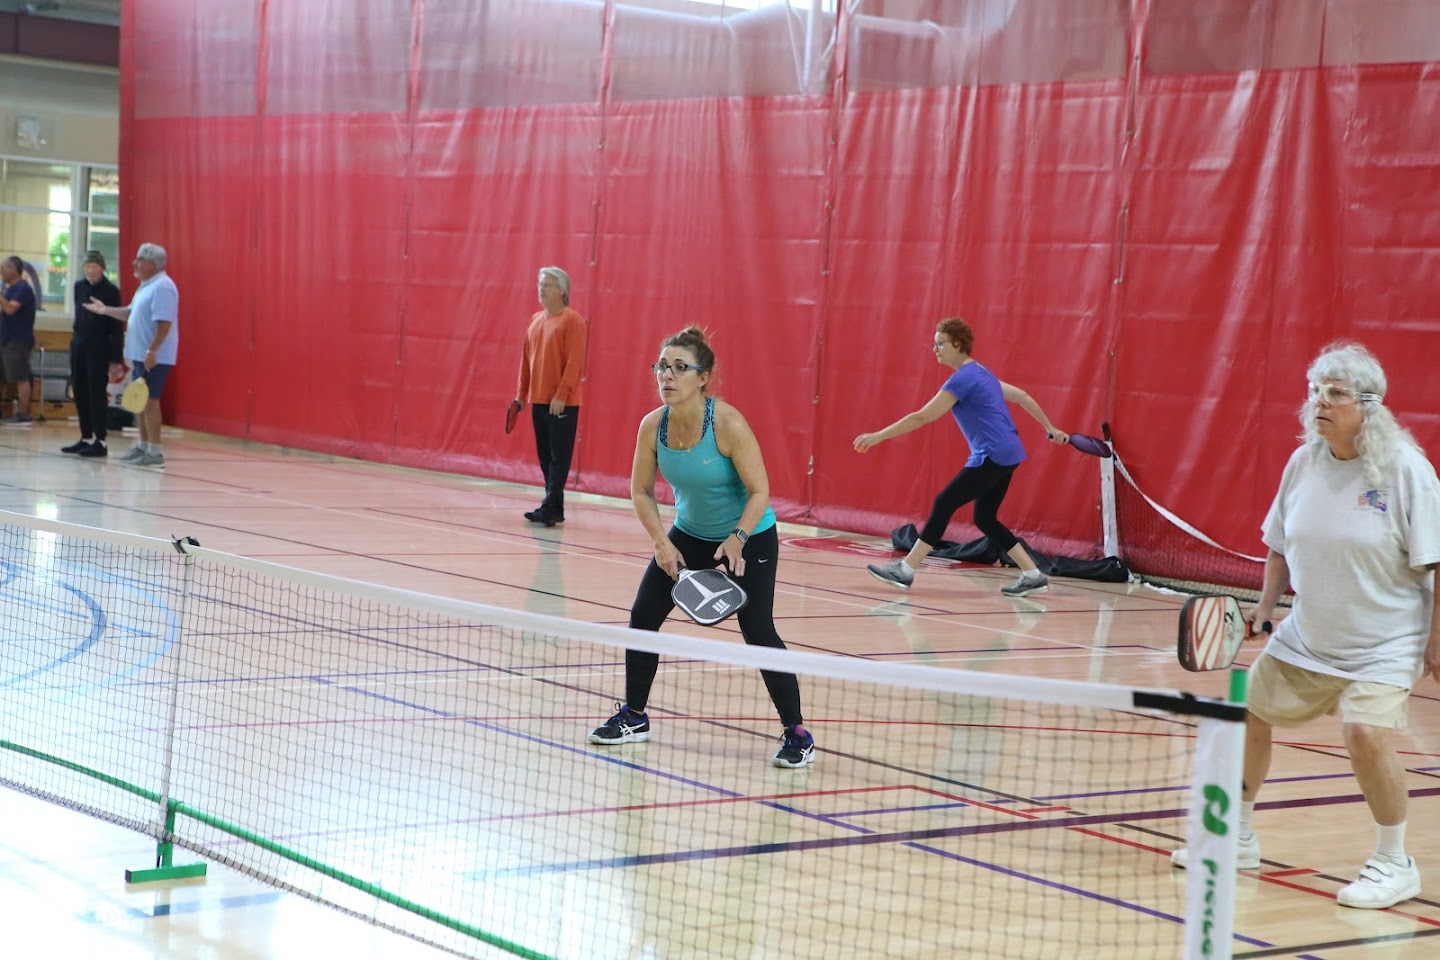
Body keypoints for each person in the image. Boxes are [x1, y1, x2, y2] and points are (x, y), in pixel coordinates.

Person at [1171, 342, 1440, 911]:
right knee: (1247, 713)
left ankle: (1395, 862)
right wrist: (1266, 607)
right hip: (1311, 632)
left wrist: (1436, 642)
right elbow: (1278, 545)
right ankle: (1235, 835)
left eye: (1335, 393)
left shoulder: (1407, 471)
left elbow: (1436, 564)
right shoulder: (1305, 462)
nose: (1320, 402)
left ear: (1369, 405)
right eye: (1316, 390)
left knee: (1365, 734)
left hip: (1386, 638)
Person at [587, 326, 815, 768]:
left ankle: (797, 732)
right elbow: (640, 492)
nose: (666, 376)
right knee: (642, 616)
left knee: (758, 631)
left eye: (679, 368)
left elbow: (760, 491)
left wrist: (739, 537)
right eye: (661, 366)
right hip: (689, 534)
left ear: (703, 377)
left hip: (749, 536)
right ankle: (634, 715)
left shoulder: (727, 424)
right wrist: (661, 542)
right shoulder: (652, 426)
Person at [855, 317, 1068, 596]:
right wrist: (1049, 427)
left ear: (957, 344)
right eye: (934, 344)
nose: (935, 349)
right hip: (1009, 453)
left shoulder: (963, 379)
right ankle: (1033, 574)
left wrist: (877, 436)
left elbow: (923, 416)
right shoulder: (982, 372)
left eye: (940, 343)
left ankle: (906, 569)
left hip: (992, 454)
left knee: (944, 502)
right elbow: (1023, 396)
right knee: (985, 518)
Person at [84, 242, 178, 467]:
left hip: (154, 356)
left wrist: (152, 350)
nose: (134, 263)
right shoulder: (146, 285)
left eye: (139, 260)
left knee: (151, 401)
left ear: (152, 264)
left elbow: (164, 323)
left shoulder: (163, 287)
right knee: (140, 401)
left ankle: (154, 452)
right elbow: (130, 312)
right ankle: (143, 446)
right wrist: (105, 310)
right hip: (140, 354)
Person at [514, 266, 587, 527]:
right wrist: (521, 394)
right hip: (538, 400)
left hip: (562, 403)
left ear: (562, 290)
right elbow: (526, 360)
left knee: (559, 457)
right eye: (540, 283)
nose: (541, 288)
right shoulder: (535, 320)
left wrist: (561, 394)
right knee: (546, 457)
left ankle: (550, 505)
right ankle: (554, 507)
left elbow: (574, 362)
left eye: (547, 284)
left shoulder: (572, 321)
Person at [62, 250, 124, 457]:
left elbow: (116, 326)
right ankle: (86, 436)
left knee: (96, 391)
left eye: (95, 266)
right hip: (79, 341)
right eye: (87, 266)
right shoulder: (79, 286)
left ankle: (101, 439)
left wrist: (115, 359)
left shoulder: (111, 290)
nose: (90, 270)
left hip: (99, 344)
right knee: (79, 389)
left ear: (102, 268)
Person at [0, 255, 37, 425]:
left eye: (4, 267)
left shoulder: (22, 288)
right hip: (5, 338)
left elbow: (10, 309)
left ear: (14, 270)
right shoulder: (8, 288)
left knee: (21, 376)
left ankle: (23, 414)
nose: (1, 270)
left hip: (18, 340)